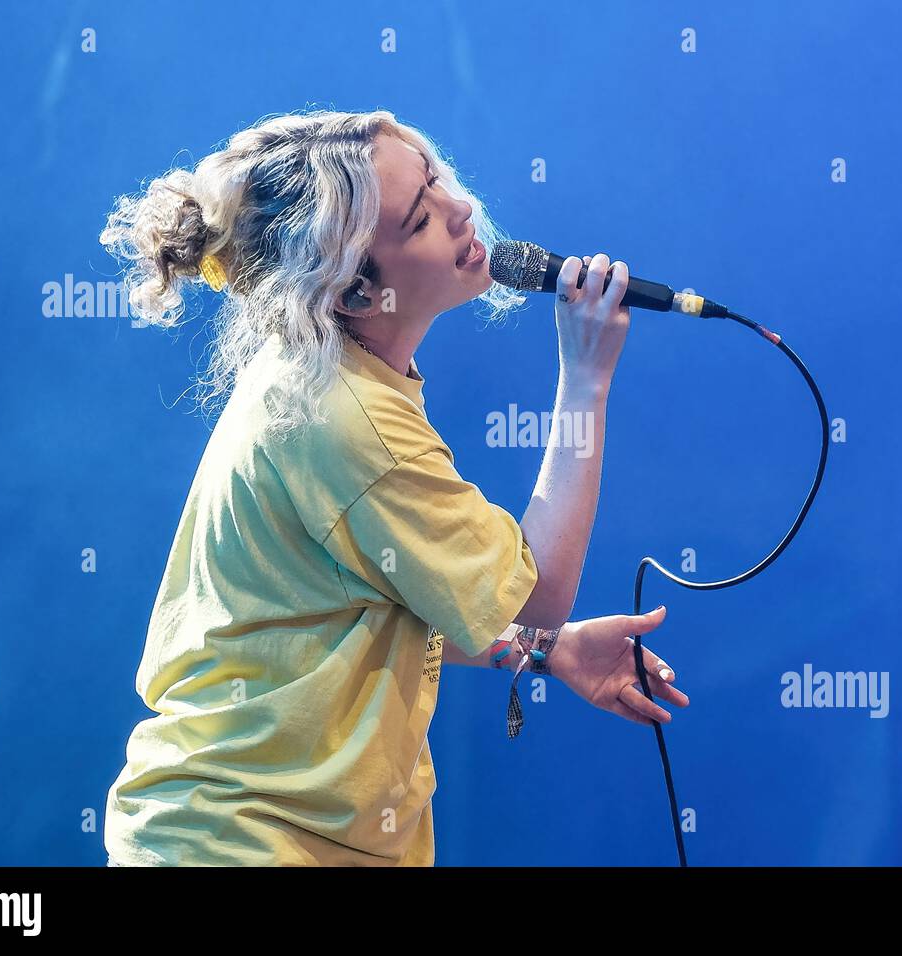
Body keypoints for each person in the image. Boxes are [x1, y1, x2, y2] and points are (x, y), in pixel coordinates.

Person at [98, 108, 688, 866]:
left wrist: (543, 652)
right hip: (241, 841)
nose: (460, 208)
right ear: (350, 293)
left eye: (436, 178)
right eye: (419, 220)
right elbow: (538, 590)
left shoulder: (333, 385)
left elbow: (356, 605)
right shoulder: (345, 418)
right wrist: (586, 381)